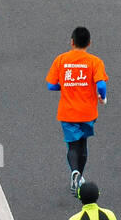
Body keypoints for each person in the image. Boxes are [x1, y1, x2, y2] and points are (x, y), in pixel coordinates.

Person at [46, 27, 109, 194]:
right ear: (89, 43)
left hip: (68, 112)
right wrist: (102, 96)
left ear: (72, 42)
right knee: (83, 145)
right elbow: (101, 84)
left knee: (72, 146)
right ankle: (80, 176)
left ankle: (74, 172)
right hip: (88, 112)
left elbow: (51, 85)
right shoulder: (95, 61)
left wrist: (66, 85)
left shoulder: (61, 60)